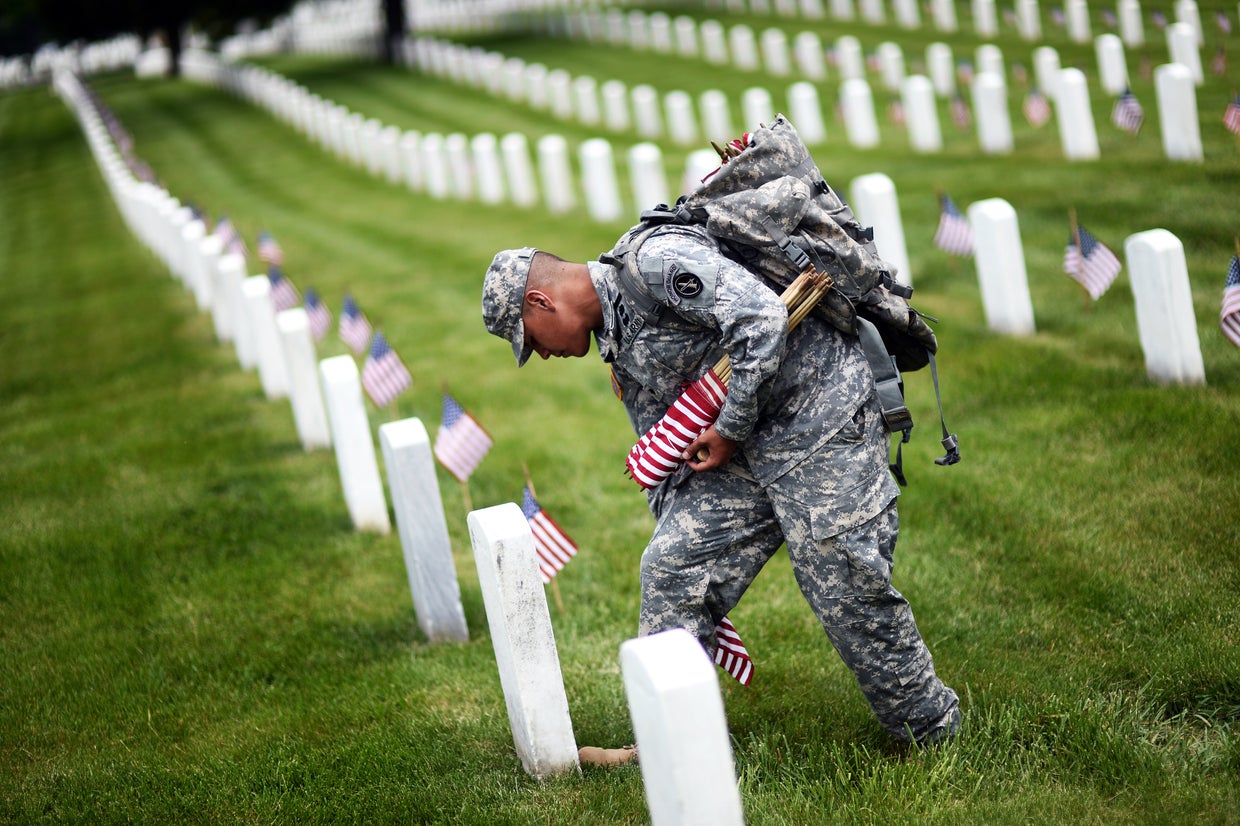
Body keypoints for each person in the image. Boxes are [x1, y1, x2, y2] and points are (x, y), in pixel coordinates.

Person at [481, 226, 960, 762]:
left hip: (818, 419)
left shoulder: (655, 266)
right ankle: (675, 744)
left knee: (845, 584)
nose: (540, 355)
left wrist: (730, 427)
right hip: (747, 445)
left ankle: (932, 729)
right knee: (673, 568)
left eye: (530, 339)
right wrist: (687, 518)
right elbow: (665, 450)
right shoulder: (616, 339)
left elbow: (762, 316)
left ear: (540, 301)